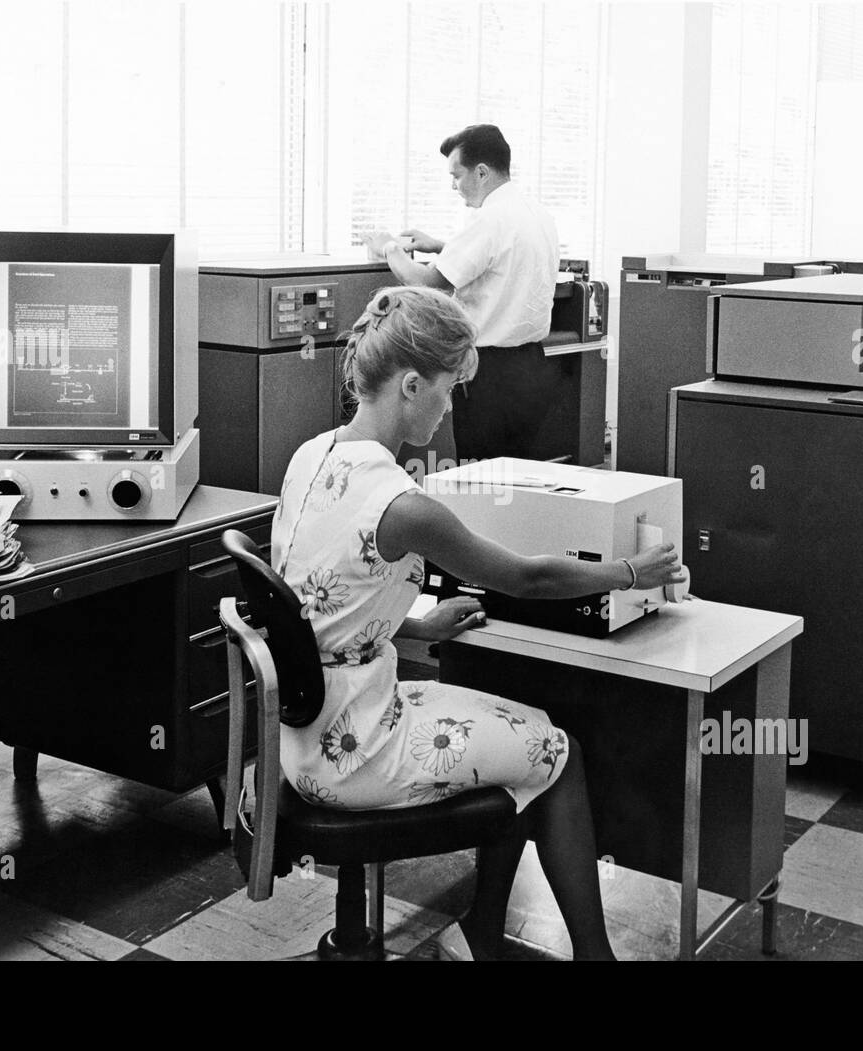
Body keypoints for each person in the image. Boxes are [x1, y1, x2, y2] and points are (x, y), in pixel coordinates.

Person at [270, 286, 685, 961]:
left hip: (305, 737)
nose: (451, 403)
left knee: (511, 729)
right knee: (558, 751)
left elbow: (317, 605)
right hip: (359, 751)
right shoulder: (403, 504)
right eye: (447, 388)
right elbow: (528, 578)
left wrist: (419, 625)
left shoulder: (309, 456)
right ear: (410, 384)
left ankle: (482, 929)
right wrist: (632, 574)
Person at [363, 124, 566, 464]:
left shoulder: (489, 219)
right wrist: (443, 245)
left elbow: (429, 284)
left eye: (456, 175)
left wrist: (389, 248)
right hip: (532, 368)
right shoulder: (537, 214)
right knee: (520, 477)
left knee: (482, 481)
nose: (454, 186)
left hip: (491, 377)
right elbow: (502, 257)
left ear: (482, 172)